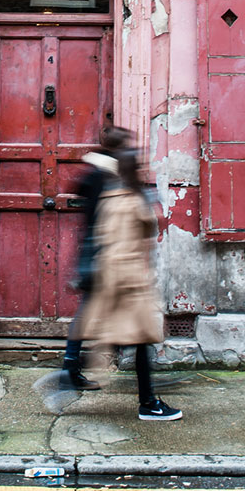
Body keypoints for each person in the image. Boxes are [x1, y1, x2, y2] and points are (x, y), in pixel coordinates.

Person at [74, 133, 182, 422]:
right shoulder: (130, 200)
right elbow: (130, 238)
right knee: (138, 340)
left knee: (120, 338)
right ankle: (148, 403)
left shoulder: (113, 197)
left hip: (120, 279)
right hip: (129, 283)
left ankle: (72, 373)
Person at [60, 127, 132, 390]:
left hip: (93, 249)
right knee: (100, 311)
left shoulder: (95, 172)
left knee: (90, 312)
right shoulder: (107, 176)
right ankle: (72, 369)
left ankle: (71, 368)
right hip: (103, 251)